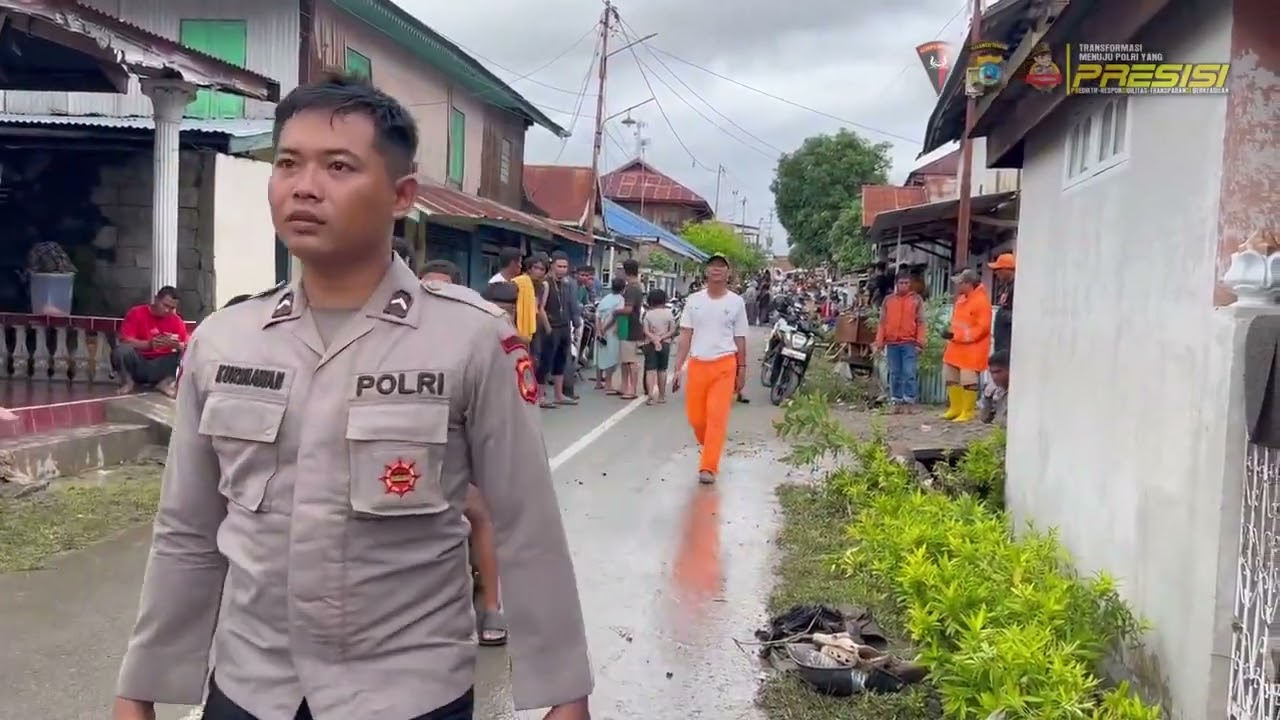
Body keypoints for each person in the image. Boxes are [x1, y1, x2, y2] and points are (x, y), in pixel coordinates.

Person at [112, 73, 591, 720]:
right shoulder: (226, 341)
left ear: (401, 196)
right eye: (287, 163)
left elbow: (525, 526)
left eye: (338, 166)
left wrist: (564, 694)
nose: (304, 186)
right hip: (252, 688)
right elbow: (188, 530)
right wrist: (140, 687)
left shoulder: (472, 340)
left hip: (409, 692)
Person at [423, 259, 506, 647]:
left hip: (463, 463)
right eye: (428, 287)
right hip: (410, 465)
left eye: (443, 288)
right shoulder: (400, 338)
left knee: (479, 511)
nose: (434, 296)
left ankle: (492, 605)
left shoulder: (477, 341)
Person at [672, 253, 749, 485]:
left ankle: (708, 466)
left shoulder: (736, 302)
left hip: (725, 364)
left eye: (721, 266)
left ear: (728, 273)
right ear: (706, 272)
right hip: (698, 365)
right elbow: (685, 336)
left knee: (717, 417)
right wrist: (677, 368)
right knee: (697, 419)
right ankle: (711, 446)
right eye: (712, 266)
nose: (716, 270)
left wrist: (742, 368)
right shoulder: (694, 300)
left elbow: (740, 338)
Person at [112, 286, 189, 398]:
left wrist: (177, 345)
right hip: (139, 361)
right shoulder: (137, 313)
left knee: (186, 353)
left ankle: (166, 383)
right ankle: (128, 382)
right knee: (120, 351)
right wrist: (149, 344)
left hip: (162, 365)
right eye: (165, 305)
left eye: (172, 308)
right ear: (156, 299)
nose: (167, 310)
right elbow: (125, 340)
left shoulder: (177, 321)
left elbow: (188, 346)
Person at [940, 268, 992, 423]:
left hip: (972, 347)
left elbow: (982, 329)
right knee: (950, 376)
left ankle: (967, 411)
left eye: (960, 283)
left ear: (968, 283)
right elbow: (957, 322)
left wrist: (958, 336)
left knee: (968, 379)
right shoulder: (962, 300)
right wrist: (949, 331)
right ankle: (955, 408)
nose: (957, 286)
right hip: (956, 346)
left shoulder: (981, 302)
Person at [873, 274, 927, 412]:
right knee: (895, 373)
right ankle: (896, 401)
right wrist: (879, 342)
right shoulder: (888, 300)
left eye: (906, 283)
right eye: (901, 283)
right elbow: (882, 322)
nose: (904, 285)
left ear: (910, 284)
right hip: (892, 342)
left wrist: (920, 343)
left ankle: (910, 401)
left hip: (909, 342)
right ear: (896, 284)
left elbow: (921, 322)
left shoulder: (916, 300)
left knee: (909, 372)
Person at [539, 251, 577, 408]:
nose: (562, 269)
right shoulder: (546, 283)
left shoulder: (567, 284)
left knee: (560, 361)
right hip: (551, 328)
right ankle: (540, 396)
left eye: (565, 266)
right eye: (560, 266)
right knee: (545, 362)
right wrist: (547, 327)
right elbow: (540, 307)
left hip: (564, 326)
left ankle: (559, 394)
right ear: (552, 265)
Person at [615, 258, 645, 400]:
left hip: (630, 327)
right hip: (627, 326)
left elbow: (628, 309)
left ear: (625, 271)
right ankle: (624, 386)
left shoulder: (632, 288)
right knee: (625, 360)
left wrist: (615, 311)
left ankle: (632, 389)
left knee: (631, 360)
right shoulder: (635, 287)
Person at [642, 287, 676, 405]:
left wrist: (654, 338)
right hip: (665, 343)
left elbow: (645, 331)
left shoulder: (648, 314)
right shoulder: (669, 314)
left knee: (650, 370)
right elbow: (672, 330)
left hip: (650, 344)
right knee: (662, 370)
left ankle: (650, 395)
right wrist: (661, 338)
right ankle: (661, 395)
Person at [594, 277, 626, 393]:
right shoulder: (621, 300)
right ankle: (608, 383)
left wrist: (598, 329)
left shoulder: (605, 299)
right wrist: (604, 328)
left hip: (600, 330)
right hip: (611, 331)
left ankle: (598, 382)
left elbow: (597, 315)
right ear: (623, 289)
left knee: (600, 355)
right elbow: (615, 317)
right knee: (611, 357)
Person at [511, 254, 546, 342]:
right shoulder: (519, 283)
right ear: (529, 269)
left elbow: (539, 307)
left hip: (535, 325)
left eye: (542, 269)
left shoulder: (541, 286)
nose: (538, 271)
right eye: (536, 268)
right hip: (518, 325)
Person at [989, 252, 1015, 357]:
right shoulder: (1006, 287)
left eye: (998, 270)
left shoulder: (1017, 287)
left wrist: (1003, 315)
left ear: (1006, 270)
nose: (996, 273)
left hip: (1008, 342)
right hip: (1002, 341)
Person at [979, 350, 1010, 426]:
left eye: (998, 372)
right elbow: (984, 419)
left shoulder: (1020, 392)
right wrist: (987, 399)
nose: (994, 377)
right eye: (992, 373)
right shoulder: (996, 391)